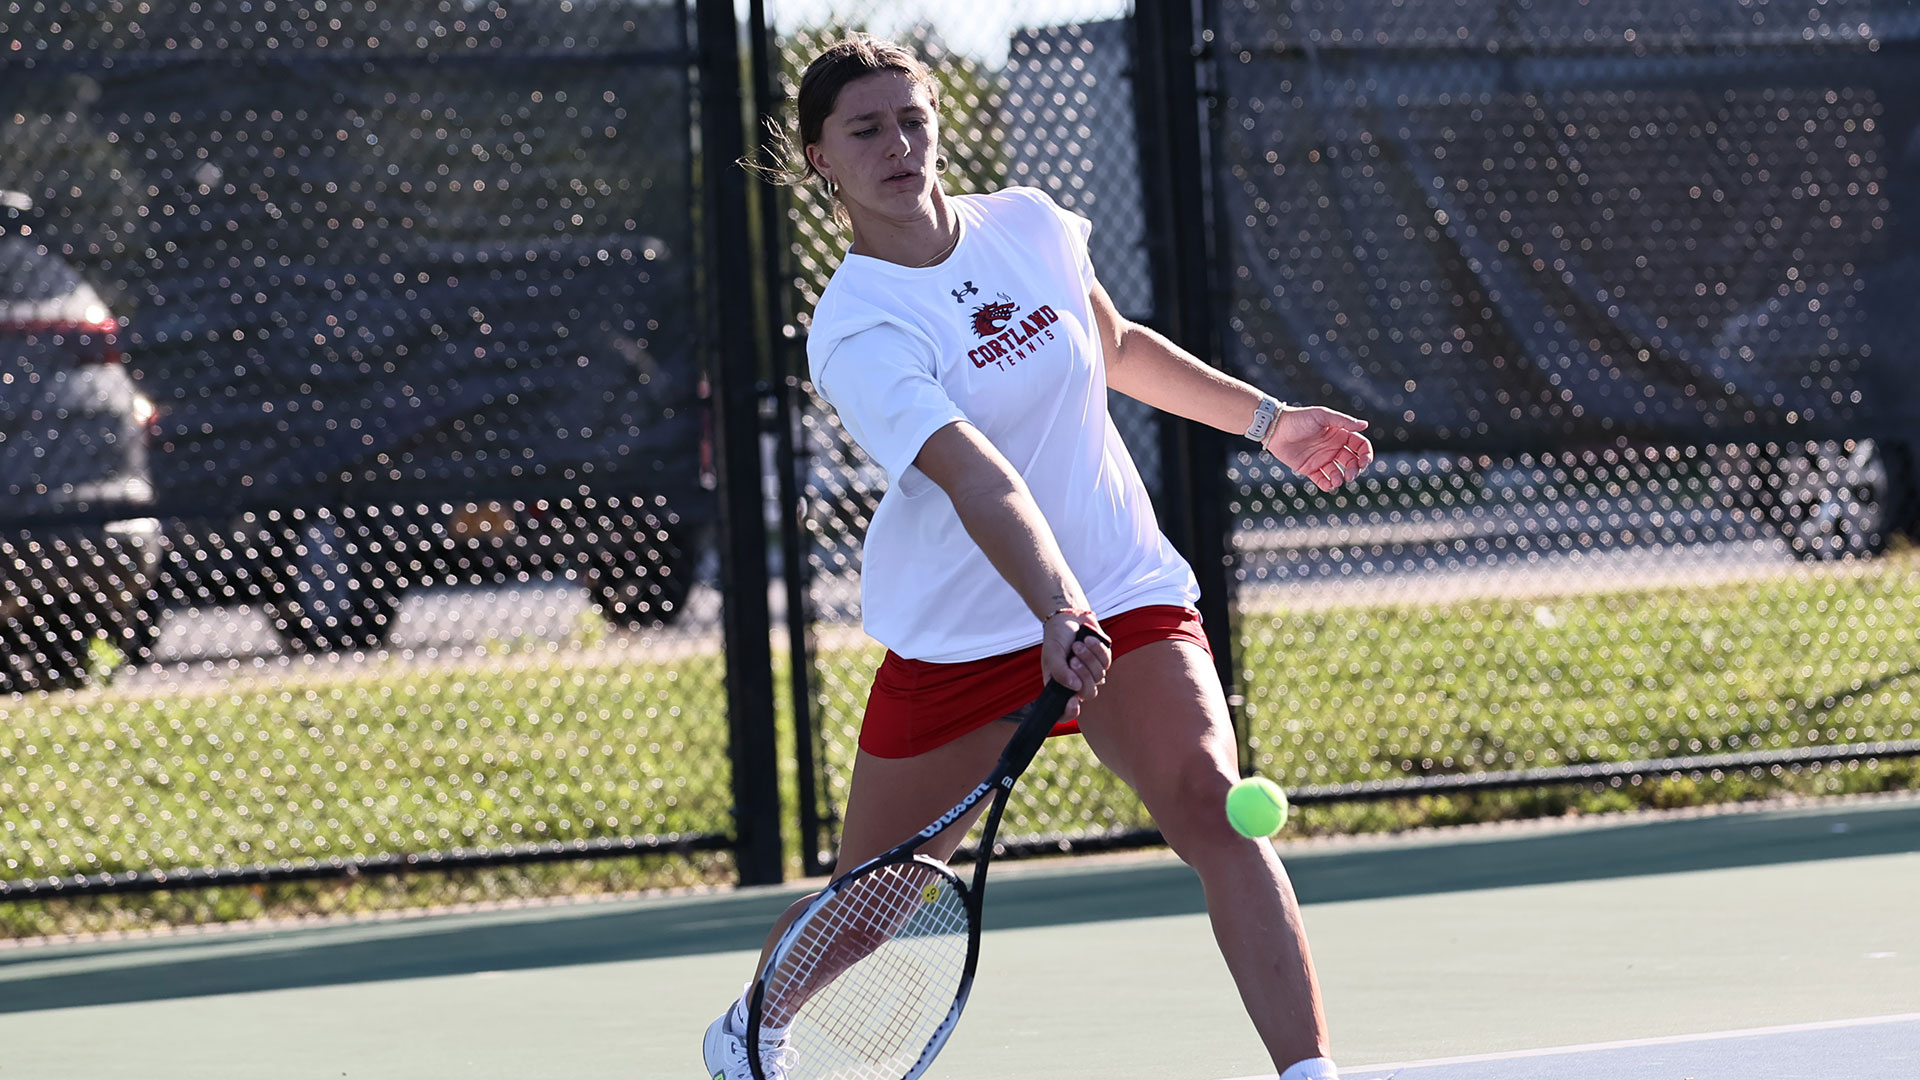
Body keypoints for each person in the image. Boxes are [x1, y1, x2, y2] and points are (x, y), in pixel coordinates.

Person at [704, 33, 1374, 1080]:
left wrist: (1268, 421)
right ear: (821, 158)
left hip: (1123, 588)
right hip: (968, 635)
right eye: (866, 129)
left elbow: (1114, 347)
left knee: (1213, 804)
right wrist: (1054, 609)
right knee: (878, 904)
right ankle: (754, 1029)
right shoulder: (857, 328)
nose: (899, 145)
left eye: (913, 118)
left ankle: (1309, 1073)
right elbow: (980, 479)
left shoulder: (1027, 225)